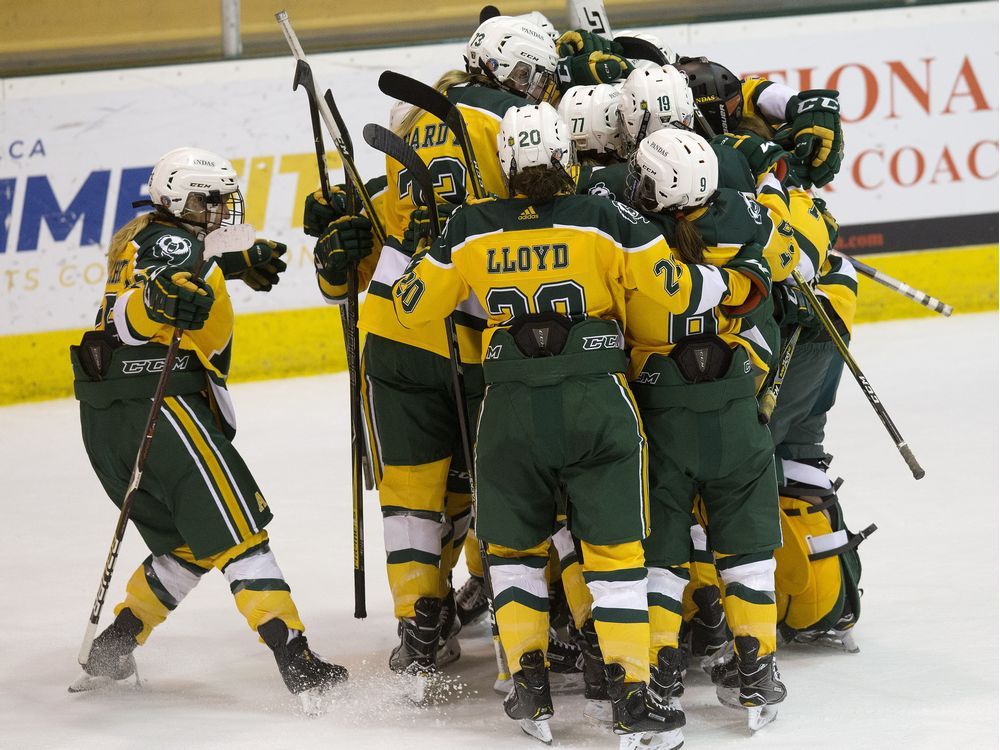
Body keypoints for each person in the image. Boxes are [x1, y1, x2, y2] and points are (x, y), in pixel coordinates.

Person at [391, 101, 768, 748]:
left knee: (512, 551)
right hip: (598, 400)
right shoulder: (607, 216)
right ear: (565, 159)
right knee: (618, 550)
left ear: (507, 164)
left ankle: (528, 685)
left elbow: (410, 310)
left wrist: (419, 249)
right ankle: (630, 696)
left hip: (508, 408)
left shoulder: (469, 227)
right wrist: (740, 286)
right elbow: (676, 291)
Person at [69, 147, 346, 710]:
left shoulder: (149, 237)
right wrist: (156, 304)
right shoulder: (171, 244)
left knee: (189, 544)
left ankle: (117, 642)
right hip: (162, 407)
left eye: (222, 199)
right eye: (206, 200)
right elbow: (145, 301)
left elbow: (182, 268)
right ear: (175, 200)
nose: (219, 210)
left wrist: (233, 263)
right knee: (242, 532)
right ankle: (295, 657)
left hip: (109, 417)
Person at [620, 128, 785, 732]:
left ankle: (663, 667)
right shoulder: (746, 232)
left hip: (662, 413)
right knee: (746, 547)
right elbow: (784, 263)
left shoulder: (631, 241)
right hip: (736, 403)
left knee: (662, 549)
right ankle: (757, 666)